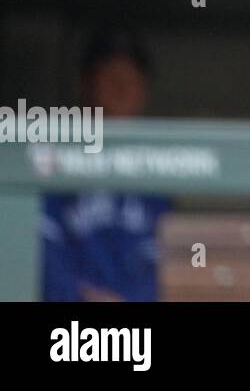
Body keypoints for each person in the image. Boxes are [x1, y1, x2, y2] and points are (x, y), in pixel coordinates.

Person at [42, 30, 173, 302]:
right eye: (110, 75)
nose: (121, 86)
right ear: (87, 84)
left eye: (131, 77)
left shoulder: (158, 173)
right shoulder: (57, 159)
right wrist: (79, 297)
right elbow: (41, 252)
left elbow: (163, 266)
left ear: (144, 89)